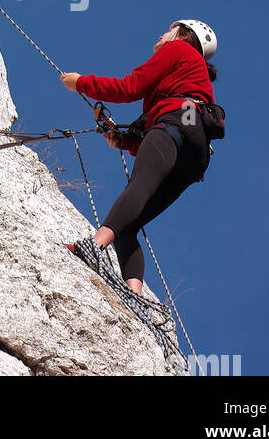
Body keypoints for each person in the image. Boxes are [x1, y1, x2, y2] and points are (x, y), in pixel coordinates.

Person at [60, 19, 218, 295]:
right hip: (195, 151)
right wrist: (124, 141)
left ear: (183, 35)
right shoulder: (192, 77)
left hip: (177, 122)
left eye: (169, 30)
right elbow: (162, 140)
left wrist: (81, 83)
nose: (162, 33)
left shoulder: (179, 50)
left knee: (139, 187)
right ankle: (135, 292)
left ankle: (94, 246)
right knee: (128, 226)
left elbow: (130, 87)